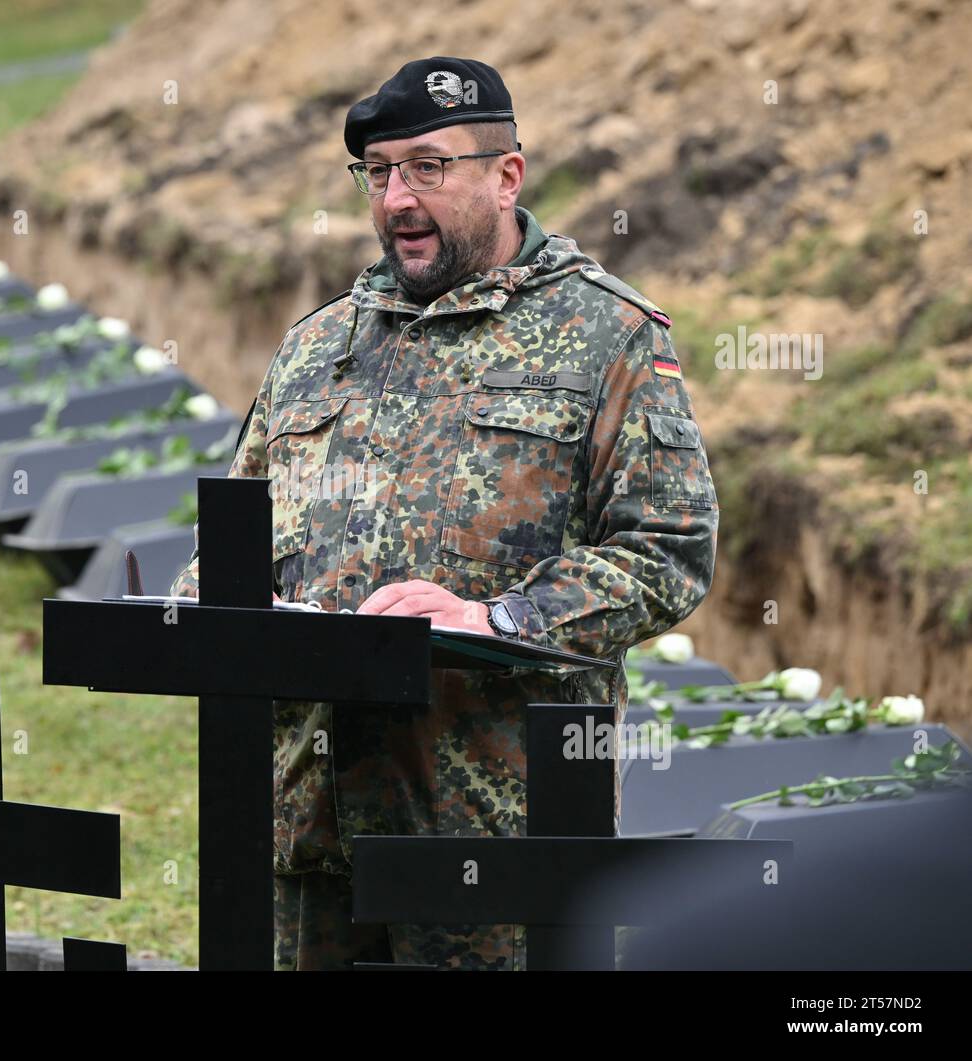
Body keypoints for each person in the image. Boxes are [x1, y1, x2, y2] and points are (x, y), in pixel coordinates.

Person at [169, 55, 718, 970]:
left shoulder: (605, 335)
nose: (396, 200)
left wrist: (494, 619)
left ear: (507, 176)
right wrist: (213, 609)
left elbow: (668, 549)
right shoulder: (318, 345)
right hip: (309, 828)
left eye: (428, 166)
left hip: (496, 840)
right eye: (378, 173)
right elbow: (239, 538)